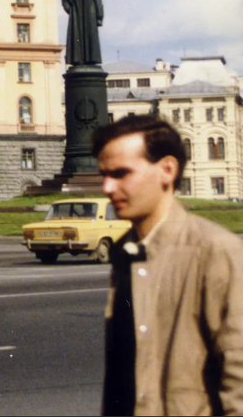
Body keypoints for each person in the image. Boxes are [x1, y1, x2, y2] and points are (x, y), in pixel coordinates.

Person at [96, 114, 243, 416]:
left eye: (121, 173)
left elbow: (239, 375)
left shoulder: (215, 250)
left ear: (167, 170)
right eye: (104, 175)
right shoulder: (126, 251)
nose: (108, 187)